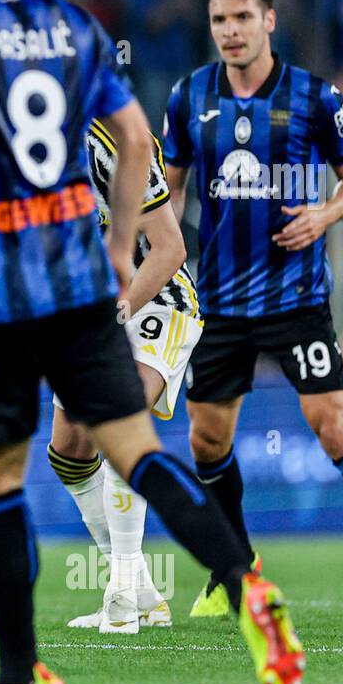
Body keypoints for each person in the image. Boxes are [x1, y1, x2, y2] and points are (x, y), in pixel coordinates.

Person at [0, 0, 303, 684]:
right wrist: (116, 249)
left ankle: (21, 676)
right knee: (133, 452)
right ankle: (244, 585)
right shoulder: (75, 29)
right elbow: (143, 137)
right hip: (79, 291)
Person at [162, 0, 343, 616]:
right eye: (220, 19)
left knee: (333, 425)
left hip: (294, 298)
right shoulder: (188, 97)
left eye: (242, 17)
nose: (230, 31)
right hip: (218, 301)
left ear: (269, 20)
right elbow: (168, 188)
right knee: (206, 441)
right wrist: (162, 254)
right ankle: (237, 571)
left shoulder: (315, 98)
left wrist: (325, 214)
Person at [50, 117, 203, 634]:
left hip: (155, 297)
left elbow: (170, 249)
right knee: (69, 449)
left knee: (119, 418)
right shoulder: (21, 144)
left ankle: (119, 593)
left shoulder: (114, 141)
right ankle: (141, 590)